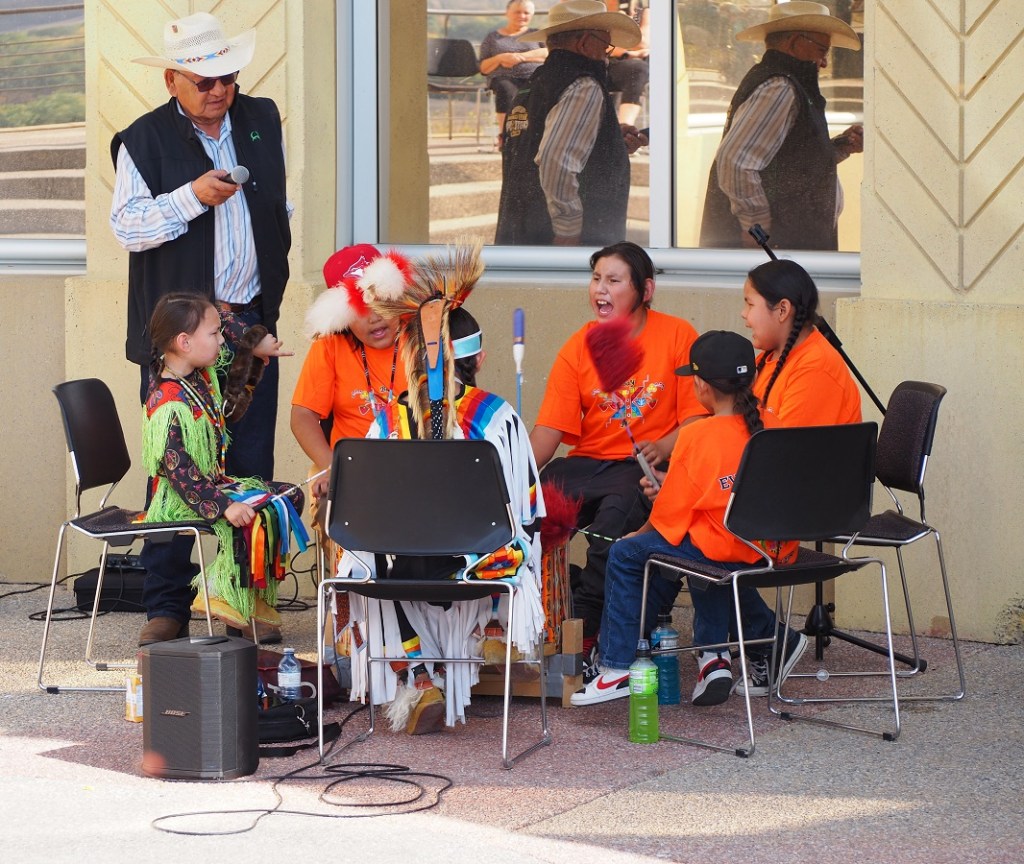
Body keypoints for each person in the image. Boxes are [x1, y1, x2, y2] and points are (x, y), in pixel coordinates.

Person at [109, 12, 292, 645]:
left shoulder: (262, 120)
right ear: (172, 80)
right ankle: (168, 605)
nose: (219, 91)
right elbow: (128, 228)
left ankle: (245, 602)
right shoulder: (142, 139)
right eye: (205, 80)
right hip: (181, 340)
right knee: (176, 472)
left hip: (244, 325)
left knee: (249, 466)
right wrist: (191, 198)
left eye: (228, 78)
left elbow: (277, 206)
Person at [337, 245, 546, 734]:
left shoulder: (384, 423)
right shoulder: (498, 418)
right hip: (476, 568)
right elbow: (527, 507)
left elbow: (358, 517)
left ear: (410, 356)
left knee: (359, 556)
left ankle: (416, 677)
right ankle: (492, 625)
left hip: (398, 571)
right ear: (482, 359)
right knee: (518, 527)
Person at [570, 330, 806, 707]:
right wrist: (674, 485)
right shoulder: (773, 425)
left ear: (701, 386)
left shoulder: (698, 435)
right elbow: (723, 491)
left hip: (720, 546)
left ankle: (614, 666)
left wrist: (635, 534)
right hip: (769, 547)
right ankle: (716, 656)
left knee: (629, 554)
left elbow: (667, 518)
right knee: (701, 541)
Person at [530, 241, 704, 660]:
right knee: (530, 507)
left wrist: (663, 445)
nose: (600, 290)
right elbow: (550, 431)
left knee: (612, 524)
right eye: (595, 279)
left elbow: (700, 419)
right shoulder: (578, 346)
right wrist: (510, 475)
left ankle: (590, 630)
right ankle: (535, 619)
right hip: (587, 461)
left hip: (639, 465)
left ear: (645, 290)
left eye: (613, 280)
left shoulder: (678, 335)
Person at [139, 294, 305, 644]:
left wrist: (252, 348)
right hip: (181, 498)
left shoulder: (200, 376)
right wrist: (225, 505)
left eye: (219, 332)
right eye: (213, 334)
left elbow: (229, 411)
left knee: (285, 497)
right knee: (249, 513)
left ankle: (248, 600)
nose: (220, 341)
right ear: (184, 343)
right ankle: (226, 595)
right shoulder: (169, 403)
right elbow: (180, 474)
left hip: (212, 484)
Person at [699, 1, 863, 250]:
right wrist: (757, 228)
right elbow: (736, 162)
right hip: (779, 242)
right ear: (795, 42)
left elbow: (788, 160)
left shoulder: (785, 83)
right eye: (822, 50)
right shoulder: (780, 86)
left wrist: (841, 146)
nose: (824, 62)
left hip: (790, 239)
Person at [494, 0, 647, 246]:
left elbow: (538, 138)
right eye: (606, 46)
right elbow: (556, 161)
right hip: (564, 238)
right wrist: (568, 229)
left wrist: (607, 137)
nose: (607, 57)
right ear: (585, 43)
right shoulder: (582, 85)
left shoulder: (534, 82)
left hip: (523, 229)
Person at [290, 244, 413, 501]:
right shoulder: (330, 345)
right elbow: (302, 415)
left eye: (380, 302)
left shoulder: (424, 335)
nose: (374, 317)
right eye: (358, 309)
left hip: (417, 468)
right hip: (351, 472)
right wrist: (330, 466)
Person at [743, 258, 861, 426]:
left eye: (750, 304)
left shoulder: (816, 367)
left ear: (782, 310)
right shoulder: (768, 358)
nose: (743, 313)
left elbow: (785, 447)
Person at [478, 1, 548, 149]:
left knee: (543, 88)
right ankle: (506, 135)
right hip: (504, 78)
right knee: (506, 89)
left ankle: (539, 134)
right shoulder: (493, 38)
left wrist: (521, 57)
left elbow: (549, 53)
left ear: (532, 15)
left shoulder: (537, 34)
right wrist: (500, 58)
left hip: (534, 76)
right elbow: (483, 68)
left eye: (526, 13)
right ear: (507, 13)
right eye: (517, 12)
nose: (522, 16)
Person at [604, 1, 650, 126]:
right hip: (605, 62)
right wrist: (628, 53)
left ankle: (624, 127)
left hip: (631, 67)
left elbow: (644, 43)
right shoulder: (600, 9)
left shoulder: (643, 12)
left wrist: (626, 22)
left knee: (638, 68)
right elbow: (598, 44)